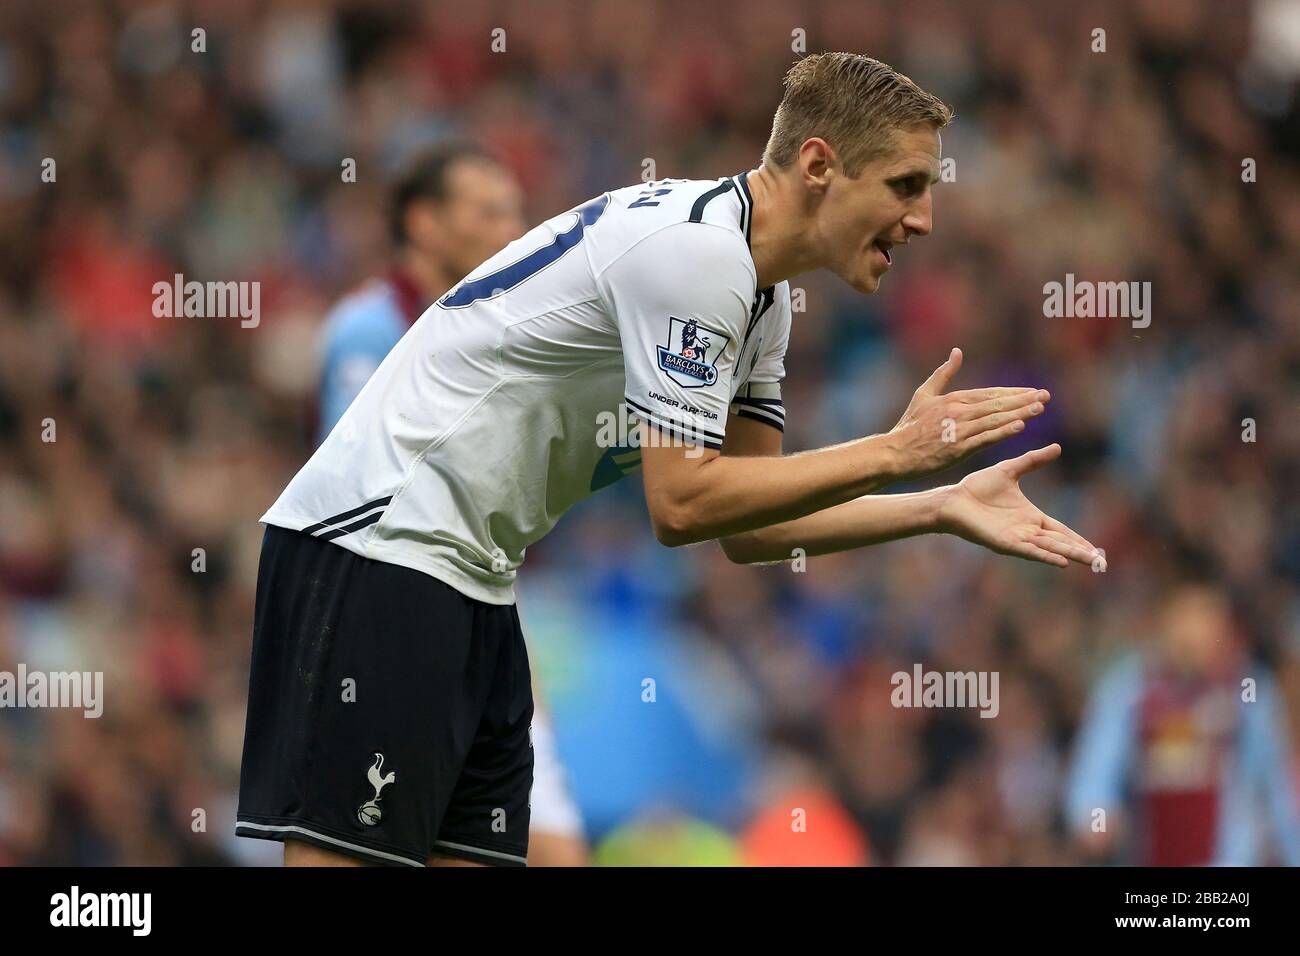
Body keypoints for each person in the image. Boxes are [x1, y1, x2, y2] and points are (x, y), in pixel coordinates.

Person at [236, 52, 1101, 867]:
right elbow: (680, 503)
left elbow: (752, 525)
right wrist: (890, 452)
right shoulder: (697, 256)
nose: (923, 218)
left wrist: (939, 503)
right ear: (818, 164)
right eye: (905, 185)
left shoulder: (763, 302)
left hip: (475, 576)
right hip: (376, 546)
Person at [315, 141, 588, 866]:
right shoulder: (366, 330)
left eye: (517, 211)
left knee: (553, 850)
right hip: (396, 623)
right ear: (425, 224)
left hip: (487, 612)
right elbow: (373, 489)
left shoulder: (497, 329)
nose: (515, 228)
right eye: (491, 210)